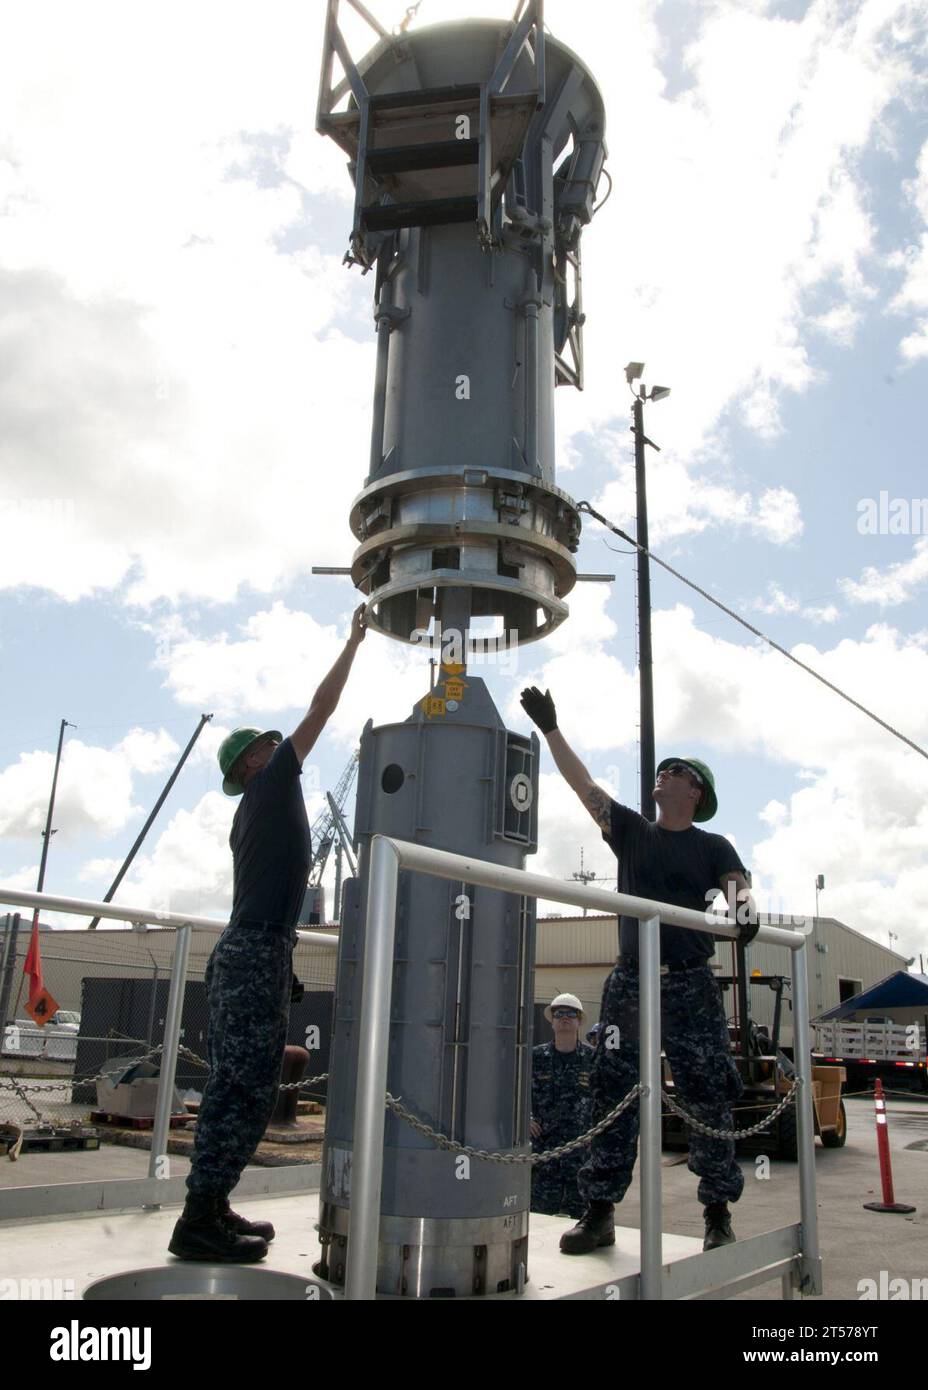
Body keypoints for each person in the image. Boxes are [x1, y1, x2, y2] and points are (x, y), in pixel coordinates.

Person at [520, 686, 755, 1255]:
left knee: (704, 1095)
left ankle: (717, 1214)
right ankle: (599, 1212)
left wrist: (745, 911)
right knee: (611, 1090)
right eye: (662, 768)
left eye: (675, 770)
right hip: (630, 982)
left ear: (695, 792)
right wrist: (552, 728)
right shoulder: (631, 833)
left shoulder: (712, 844)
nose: (663, 773)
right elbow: (586, 790)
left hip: (689, 983)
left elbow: (738, 888)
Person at [169, 605, 367, 1263]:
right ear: (252, 762)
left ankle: (213, 1206)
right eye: (264, 745)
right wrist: (352, 643)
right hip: (256, 949)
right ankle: (199, 1219)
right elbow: (320, 711)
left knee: (249, 1087)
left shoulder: (256, 805)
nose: (275, 747)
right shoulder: (272, 782)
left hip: (260, 949)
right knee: (242, 1088)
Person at [530, 993, 595, 1220]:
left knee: (583, 1217)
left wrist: (595, 1130)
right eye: (559, 1014)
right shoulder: (535, 1057)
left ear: (579, 1021)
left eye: (570, 1014)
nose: (564, 1018)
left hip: (581, 1152)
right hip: (544, 1151)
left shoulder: (593, 1058)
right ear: (552, 1020)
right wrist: (526, 1119)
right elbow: (518, 1093)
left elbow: (605, 1100)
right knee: (539, 1217)